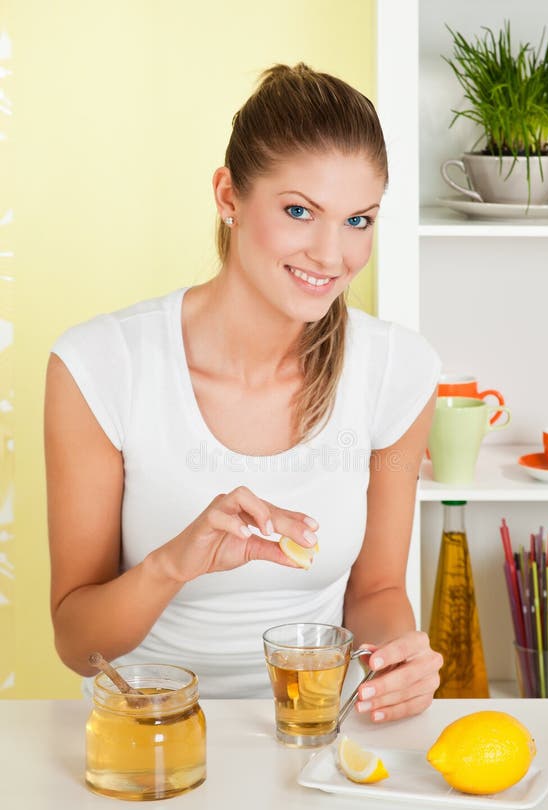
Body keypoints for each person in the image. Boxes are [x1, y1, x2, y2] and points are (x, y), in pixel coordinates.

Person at [44, 62, 443, 721]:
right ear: (229, 195)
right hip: (147, 746)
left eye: (358, 221)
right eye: (298, 211)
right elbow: (78, 645)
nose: (331, 254)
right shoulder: (101, 365)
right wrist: (176, 563)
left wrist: (396, 656)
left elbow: (374, 590)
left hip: (314, 735)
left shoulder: (397, 369)